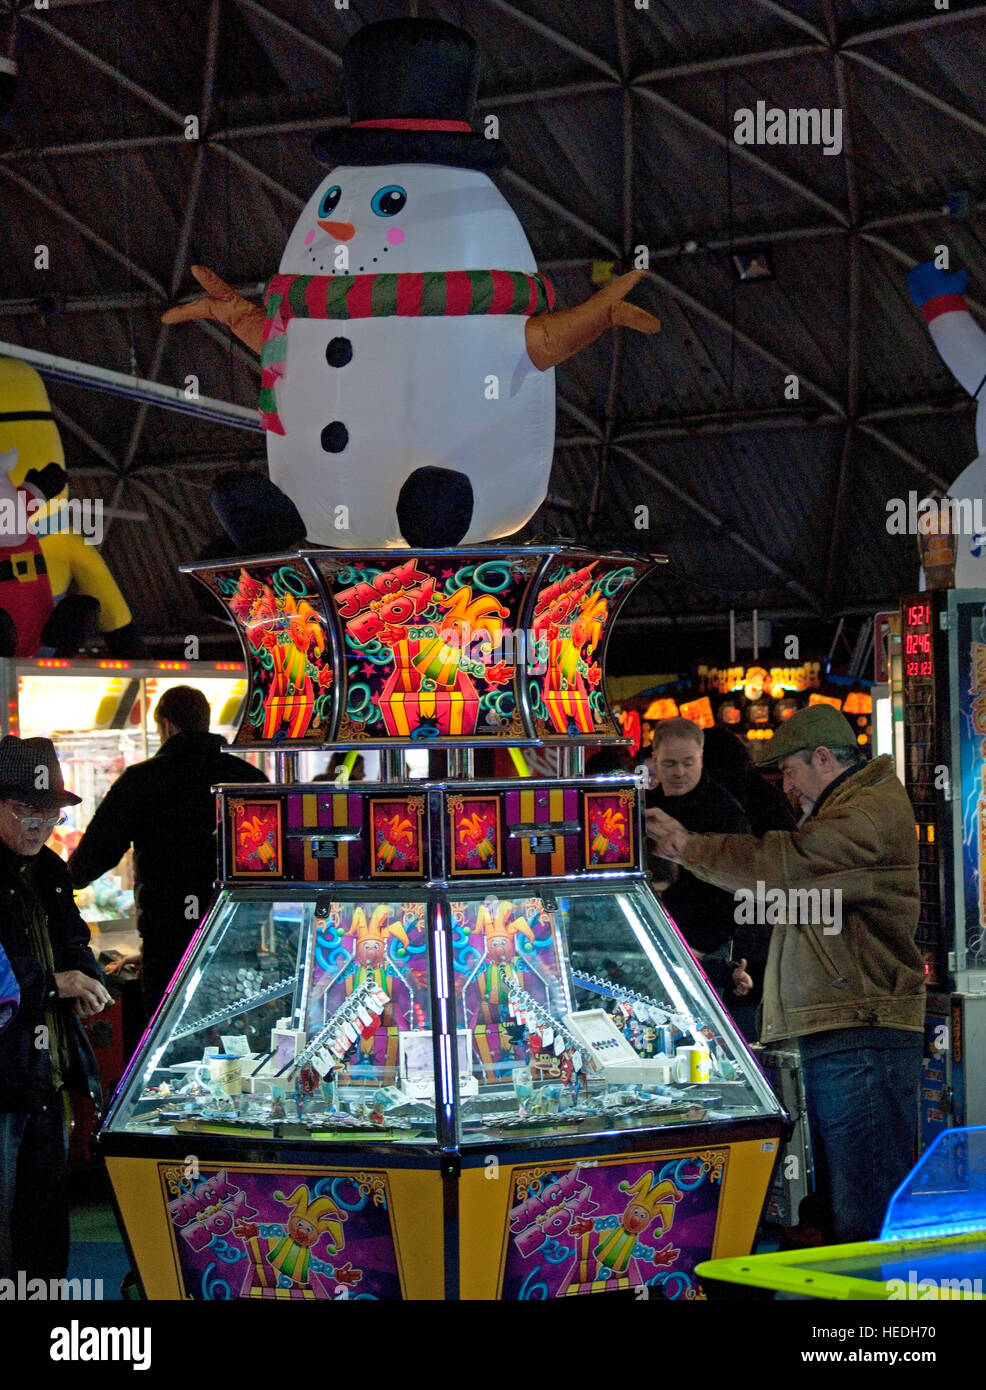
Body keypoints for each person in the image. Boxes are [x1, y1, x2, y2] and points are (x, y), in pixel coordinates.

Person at [646, 704, 925, 1243]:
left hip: (862, 1029)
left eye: (790, 772)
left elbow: (783, 865)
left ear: (823, 758)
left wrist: (686, 846)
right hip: (845, 1026)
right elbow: (783, 893)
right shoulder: (852, 808)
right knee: (846, 1203)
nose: (788, 787)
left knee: (865, 1208)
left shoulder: (865, 814)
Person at [68, 685, 268, 1019]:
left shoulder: (142, 780)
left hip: (169, 940)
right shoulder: (251, 779)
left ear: (167, 725)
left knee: (169, 1041)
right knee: (234, 1035)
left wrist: (56, 882)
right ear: (205, 723)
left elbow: (92, 859)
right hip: (238, 937)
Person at [0, 735, 113, 1280]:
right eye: (24, 809)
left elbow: (73, 940)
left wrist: (87, 976)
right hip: (4, 1080)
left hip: (47, 1075)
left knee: (44, 1227)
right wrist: (52, 984)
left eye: (48, 811)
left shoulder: (47, 868)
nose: (38, 824)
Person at [645, 718, 753, 1014]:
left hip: (708, 942)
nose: (679, 772)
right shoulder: (643, 805)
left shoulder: (725, 809)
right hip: (653, 934)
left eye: (688, 762)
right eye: (669, 764)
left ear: (701, 758)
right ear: (655, 758)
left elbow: (739, 882)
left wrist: (710, 955)